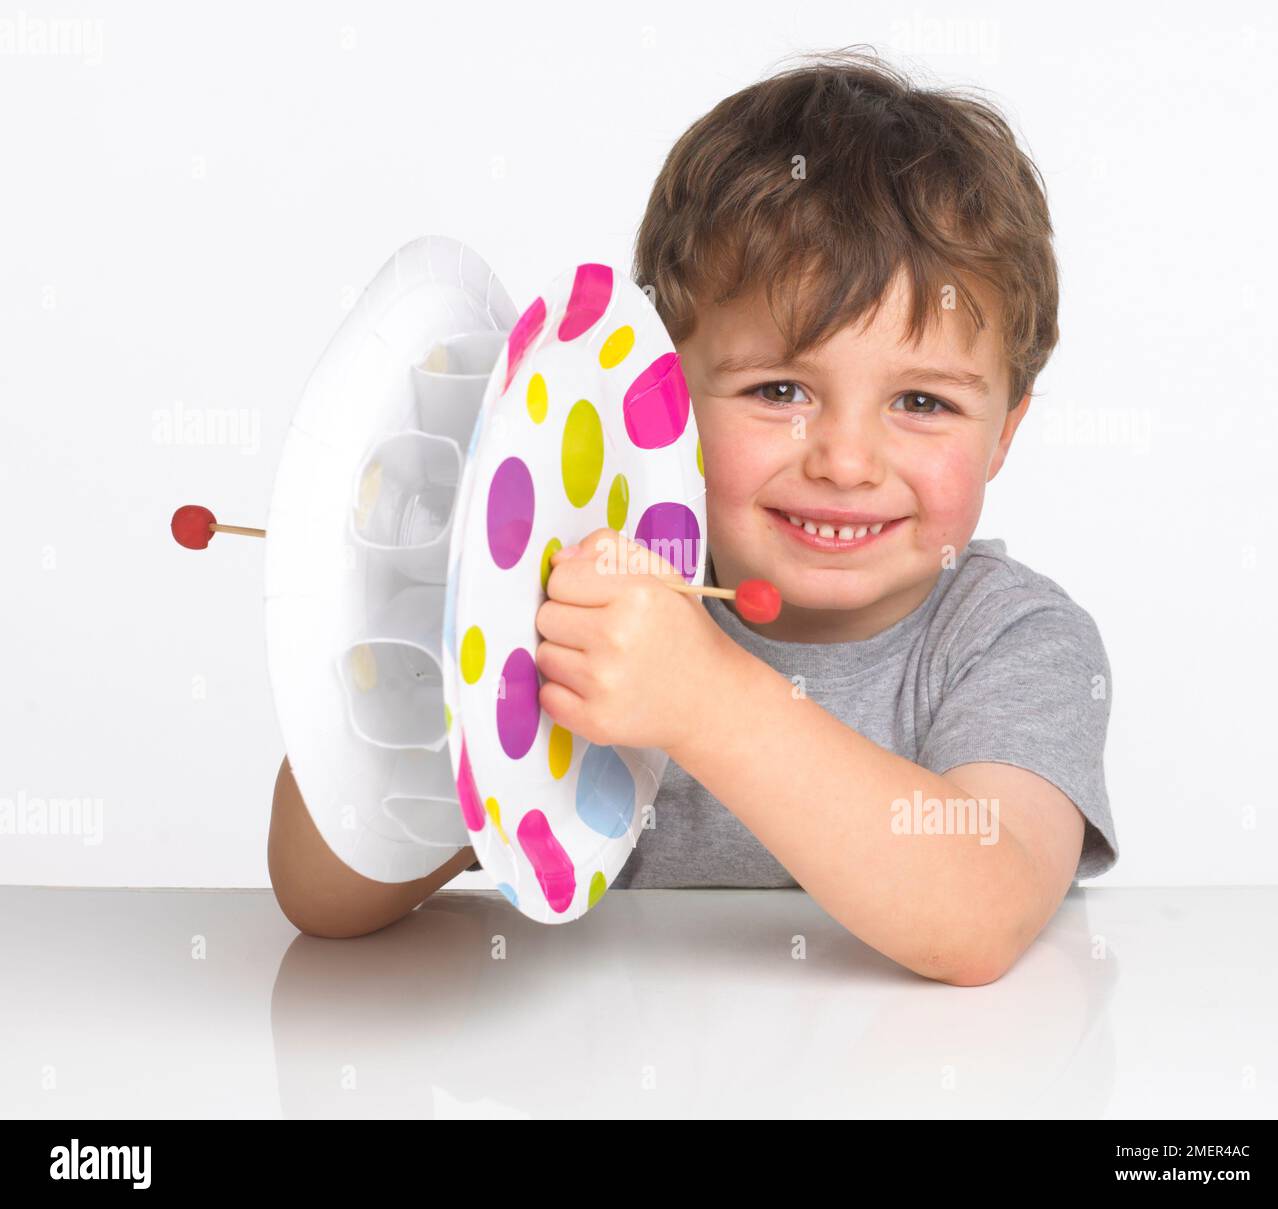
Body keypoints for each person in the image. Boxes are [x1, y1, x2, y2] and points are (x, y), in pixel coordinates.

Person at [270, 48, 1117, 986]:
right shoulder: (580, 605)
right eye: (780, 388)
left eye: (922, 403)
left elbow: (979, 917)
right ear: (662, 393)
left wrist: (704, 697)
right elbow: (326, 896)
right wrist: (438, 591)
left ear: (1004, 434)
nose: (844, 460)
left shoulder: (1018, 641)